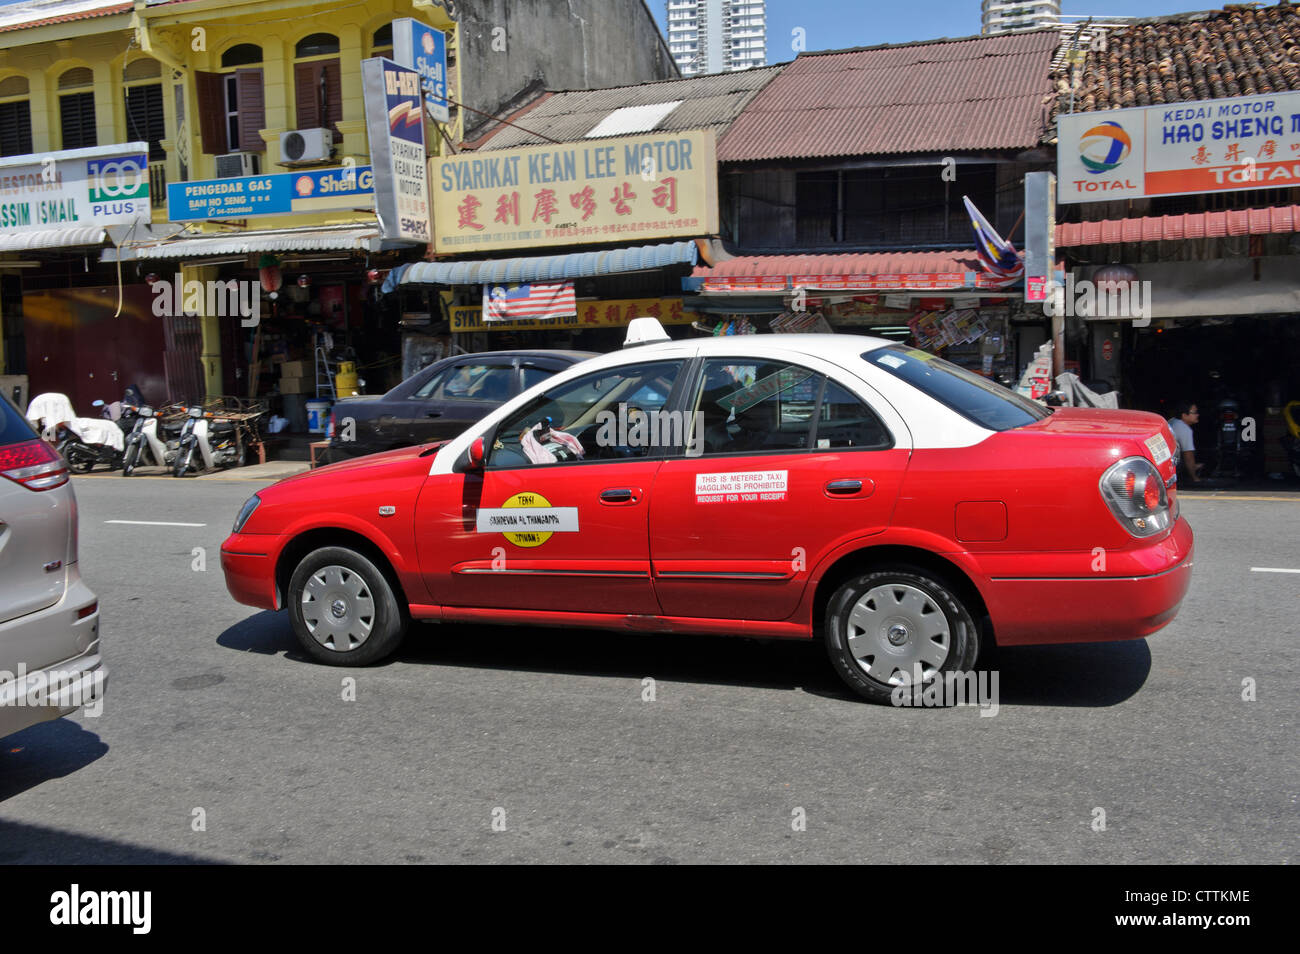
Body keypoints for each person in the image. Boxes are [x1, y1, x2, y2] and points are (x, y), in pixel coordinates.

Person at [1167, 400, 1201, 483]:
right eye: (1195, 412)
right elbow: (1188, 456)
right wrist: (1195, 478)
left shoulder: (1172, 421)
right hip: (1169, 464)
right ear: (1184, 415)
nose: (1197, 415)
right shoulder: (1184, 429)